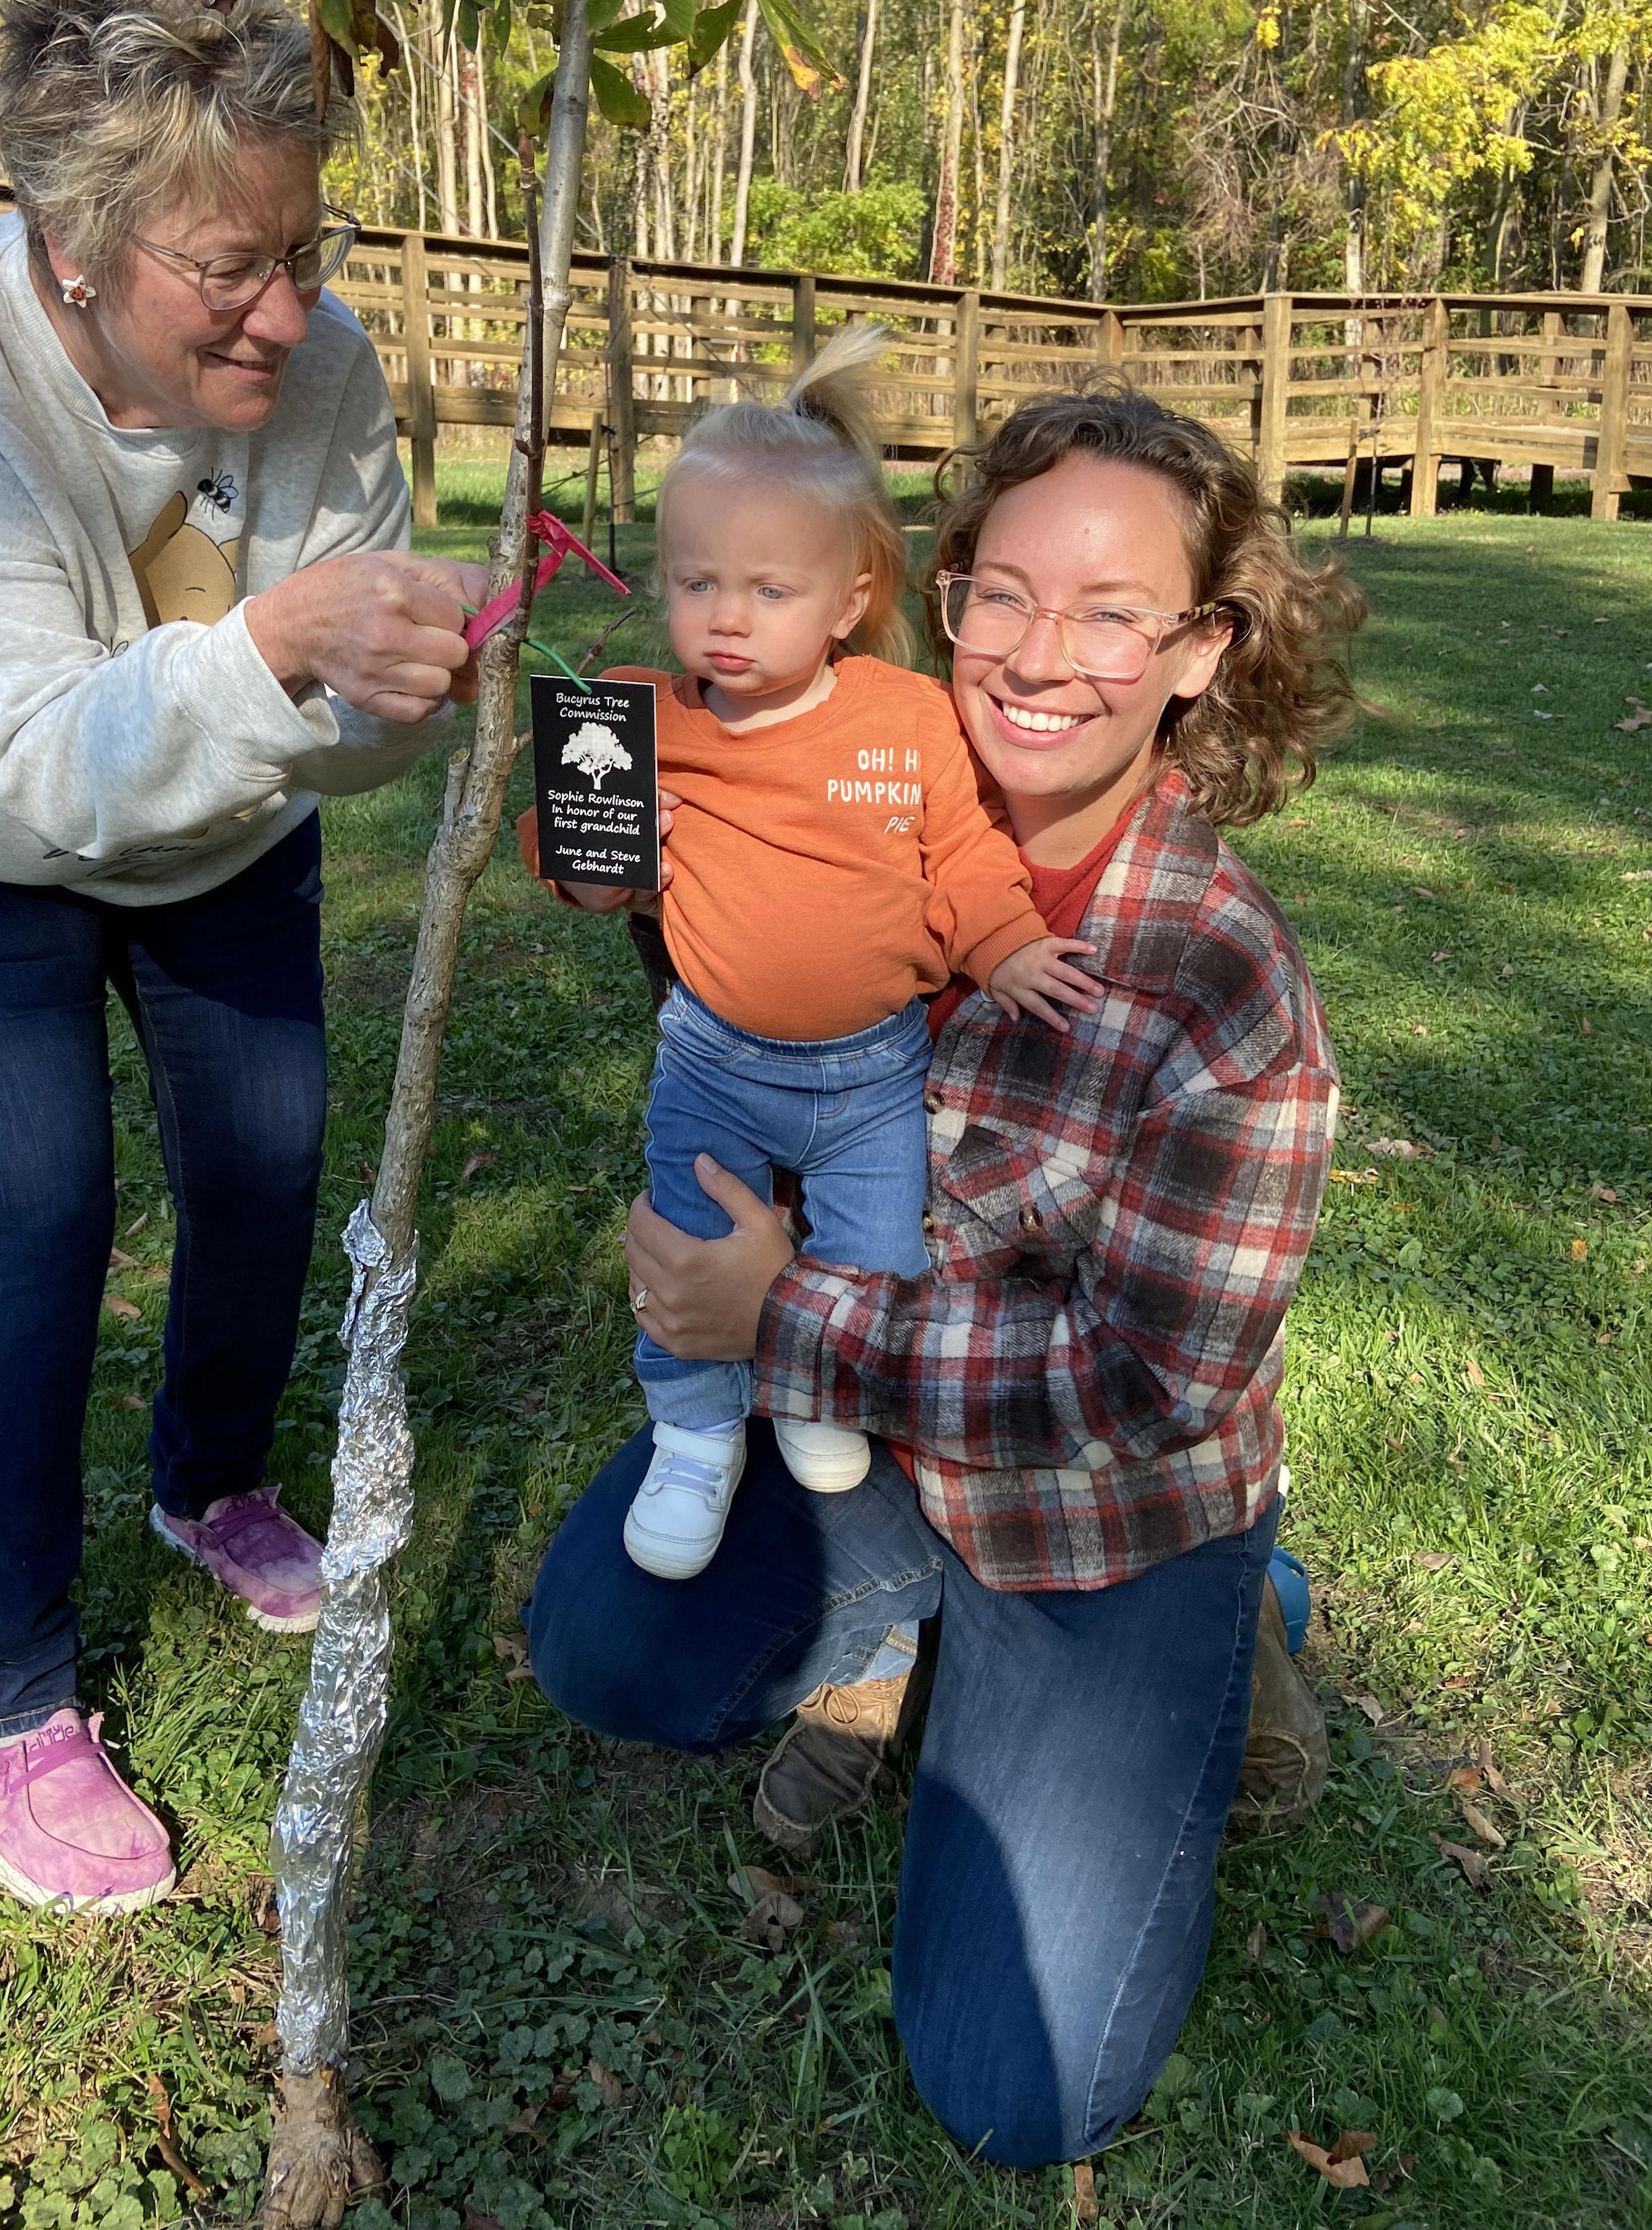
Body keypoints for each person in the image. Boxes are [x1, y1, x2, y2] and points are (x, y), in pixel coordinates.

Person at [526, 382, 1359, 2167]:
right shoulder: (839, 776)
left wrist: (779, 1314)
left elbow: (1135, 1386)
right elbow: (731, 1029)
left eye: (1113, 609)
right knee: (607, 1644)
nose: (1042, 654)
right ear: (938, 589)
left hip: (1101, 1504)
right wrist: (627, 850)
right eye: (1002, 592)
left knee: (1017, 2082)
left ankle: (1234, 1621)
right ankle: (895, 1630)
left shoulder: (1221, 988)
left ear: (1199, 649)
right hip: (882, 1431)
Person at [0, 0, 486, 1916]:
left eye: (304, 250)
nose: (284, 314)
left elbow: (328, 740)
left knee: (267, 1157)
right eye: (228, 268)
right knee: (43, 1200)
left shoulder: (326, 366)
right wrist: (279, 646)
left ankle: (207, 1475)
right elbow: (39, 751)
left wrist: (365, 698)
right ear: (75, 252)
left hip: (213, 813)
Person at [520, 332, 1099, 1580]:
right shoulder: (642, 714)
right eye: (693, 581)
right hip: (713, 1063)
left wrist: (1005, 948)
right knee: (687, 1242)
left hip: (873, 1077)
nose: (723, 619)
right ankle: (693, 1430)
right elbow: (562, 844)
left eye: (768, 592)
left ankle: (826, 1390)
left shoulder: (906, 718)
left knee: (872, 1248)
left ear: (849, 600)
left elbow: (963, 854)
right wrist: (592, 864)